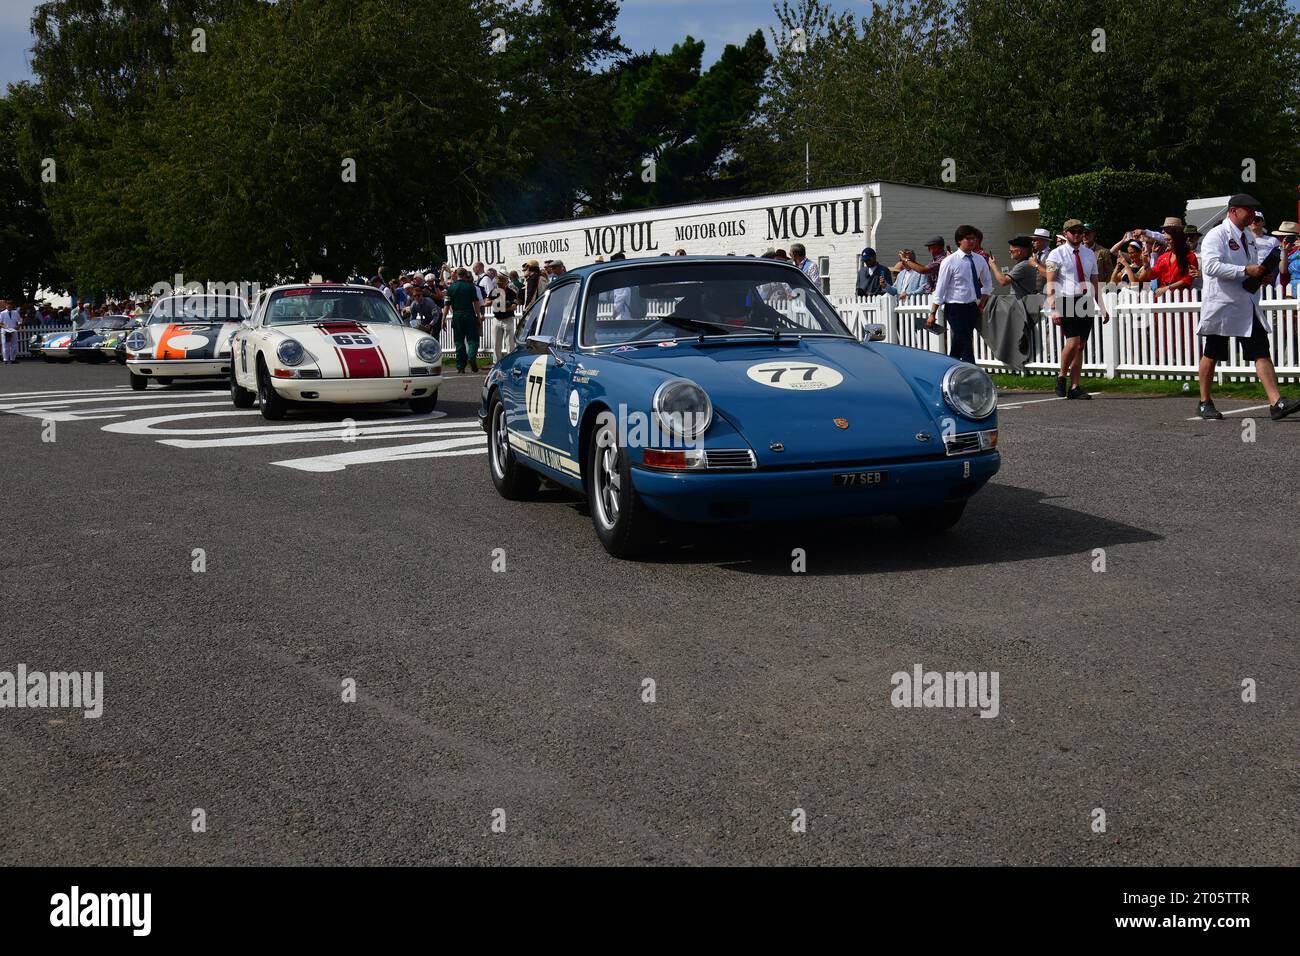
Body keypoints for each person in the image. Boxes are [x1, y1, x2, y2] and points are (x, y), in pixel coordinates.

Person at [1195, 193, 1300, 421]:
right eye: (1248, 210)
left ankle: (1276, 402)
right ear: (1233, 210)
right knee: (1212, 352)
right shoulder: (1216, 235)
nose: (1252, 214)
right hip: (1222, 303)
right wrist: (1244, 271)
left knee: (1261, 349)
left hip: (1245, 302)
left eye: (1254, 210)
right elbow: (1211, 267)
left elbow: (1250, 266)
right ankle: (1204, 402)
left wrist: (1259, 276)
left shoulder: (1248, 237)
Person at [1045, 218, 1109, 400]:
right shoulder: (1055, 255)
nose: (1078, 235)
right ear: (1065, 234)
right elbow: (1050, 282)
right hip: (1066, 299)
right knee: (1072, 342)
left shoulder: (1089, 254)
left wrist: (1102, 307)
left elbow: (1095, 282)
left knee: (1080, 346)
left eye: (1081, 232)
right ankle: (1061, 376)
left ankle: (1075, 386)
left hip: (1085, 300)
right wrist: (1053, 308)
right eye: (1074, 231)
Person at [927, 225, 993, 364]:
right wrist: (933, 312)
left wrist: (981, 304)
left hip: (972, 307)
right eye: (968, 238)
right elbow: (940, 288)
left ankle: (950, 367)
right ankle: (972, 371)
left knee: (959, 342)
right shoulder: (949, 261)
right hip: (955, 308)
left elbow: (987, 284)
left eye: (973, 238)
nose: (972, 241)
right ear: (959, 241)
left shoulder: (979, 259)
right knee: (965, 341)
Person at [444, 267, 483, 374]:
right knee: (473, 340)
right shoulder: (471, 287)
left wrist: (443, 319)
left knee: (459, 341)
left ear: (456, 275)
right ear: (466, 275)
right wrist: (478, 317)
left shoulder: (451, 288)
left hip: (457, 316)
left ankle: (460, 366)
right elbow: (476, 303)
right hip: (469, 315)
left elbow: (447, 305)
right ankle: (471, 356)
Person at [988, 236, 1040, 302]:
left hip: (1021, 304)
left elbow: (1003, 281)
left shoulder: (1023, 265)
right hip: (1027, 301)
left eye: (1011, 251)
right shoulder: (1032, 261)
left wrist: (993, 265)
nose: (1009, 252)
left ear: (1019, 251)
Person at [488, 274, 517, 362]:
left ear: (505, 283)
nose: (499, 285)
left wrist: (503, 308)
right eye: (498, 284)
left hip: (507, 319)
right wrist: (493, 301)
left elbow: (514, 306)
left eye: (501, 284)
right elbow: (487, 301)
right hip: (497, 319)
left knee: (510, 343)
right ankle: (496, 362)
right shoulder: (494, 291)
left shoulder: (511, 292)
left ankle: (510, 362)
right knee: (496, 343)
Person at [0, 299, 21, 363]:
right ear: (6, 305)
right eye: (8, 305)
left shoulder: (15, 312)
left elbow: (19, 321)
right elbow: (0, 323)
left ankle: (13, 359)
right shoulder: (2, 313)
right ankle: (5, 359)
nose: (9, 307)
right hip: (5, 331)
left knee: (14, 345)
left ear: (12, 306)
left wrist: (18, 326)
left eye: (11, 306)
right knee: (5, 345)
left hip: (13, 330)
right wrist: (5, 327)